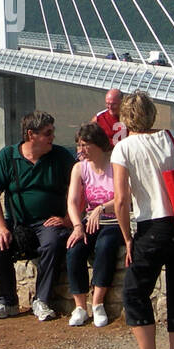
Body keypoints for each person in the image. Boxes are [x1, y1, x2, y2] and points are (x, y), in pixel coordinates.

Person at [111, 91, 174, 349]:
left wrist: (128, 238)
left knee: (135, 291)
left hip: (153, 226)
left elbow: (121, 200)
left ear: (126, 118)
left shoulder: (123, 148)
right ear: (152, 113)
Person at [0, 111, 76, 321]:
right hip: (17, 223)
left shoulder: (61, 157)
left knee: (53, 244)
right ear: (31, 135)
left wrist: (68, 219)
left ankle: (42, 300)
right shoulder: (8, 157)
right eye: (47, 133)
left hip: (49, 221)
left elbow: (79, 188)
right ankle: (8, 302)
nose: (52, 137)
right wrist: (1, 228)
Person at [65, 124, 124, 327]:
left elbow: (124, 196)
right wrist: (77, 226)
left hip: (114, 220)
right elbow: (73, 201)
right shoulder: (79, 168)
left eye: (85, 145)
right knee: (75, 248)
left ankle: (97, 302)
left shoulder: (115, 165)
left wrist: (103, 208)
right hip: (90, 220)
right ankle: (80, 306)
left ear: (98, 144)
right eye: (79, 145)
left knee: (105, 246)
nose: (81, 150)